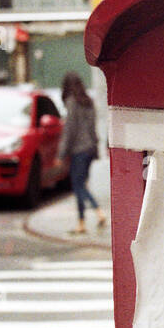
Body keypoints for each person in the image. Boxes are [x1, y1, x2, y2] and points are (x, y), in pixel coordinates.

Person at [57, 72, 103, 234]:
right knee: (81, 185)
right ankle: (82, 223)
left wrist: (61, 154)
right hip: (90, 149)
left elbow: (69, 130)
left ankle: (97, 212)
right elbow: (92, 129)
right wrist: (96, 150)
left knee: (78, 186)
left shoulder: (72, 103)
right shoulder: (88, 102)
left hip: (79, 151)